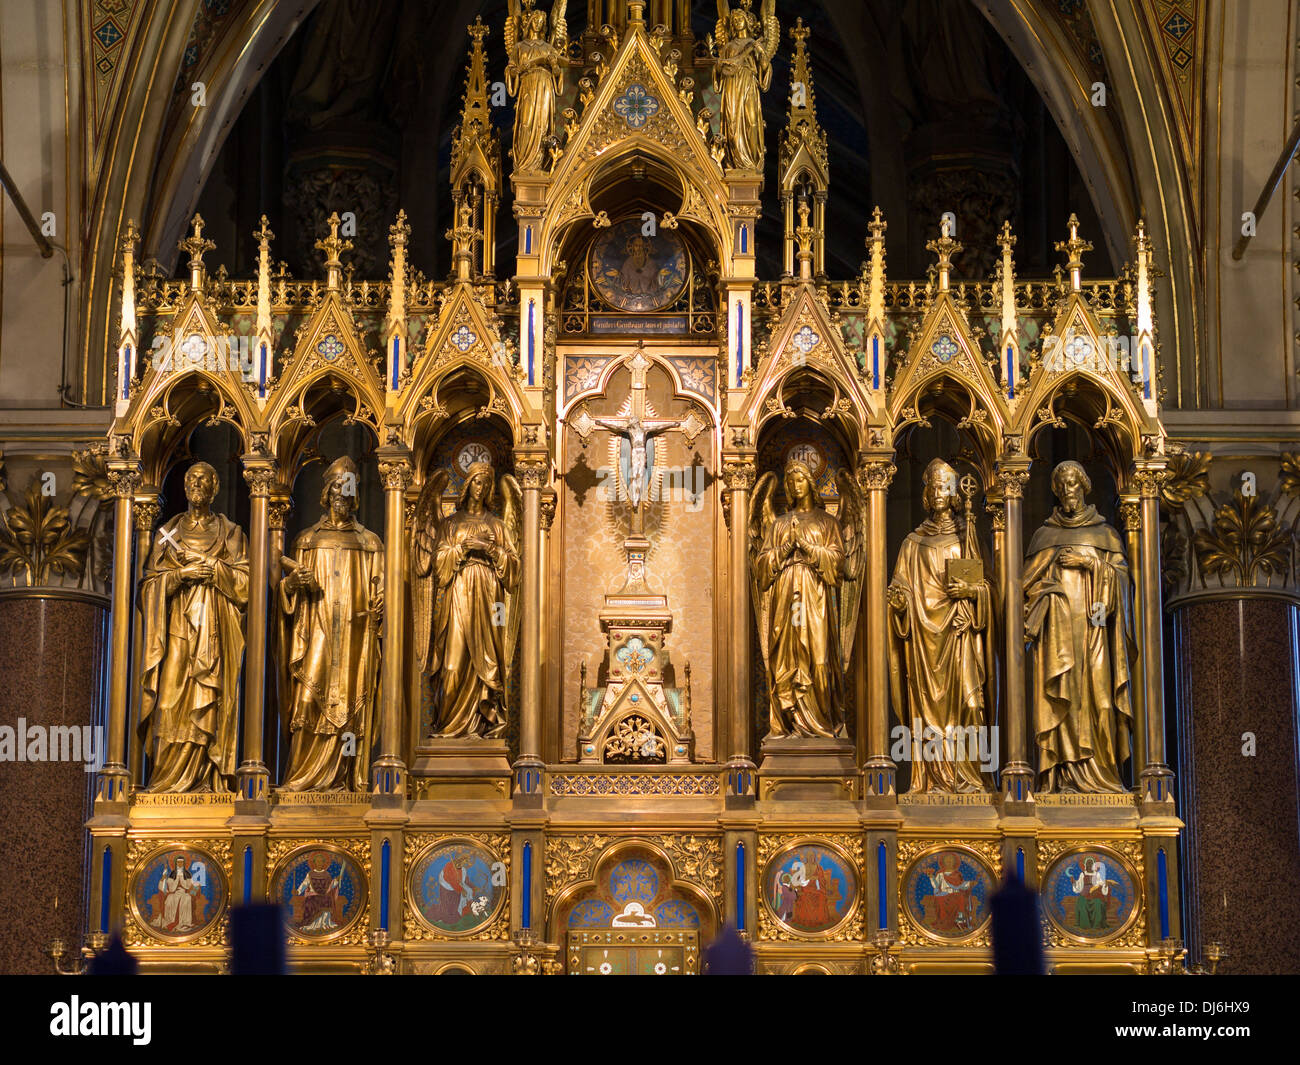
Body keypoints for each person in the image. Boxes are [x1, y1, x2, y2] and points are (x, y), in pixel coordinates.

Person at [1025, 461, 1136, 792]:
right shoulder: (1044, 536)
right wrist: (1048, 589)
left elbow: (1123, 580)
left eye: (1073, 483)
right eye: (1062, 485)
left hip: (1097, 632)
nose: (1068, 490)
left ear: (1085, 486)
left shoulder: (1106, 535)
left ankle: (1102, 776)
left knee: (1100, 702)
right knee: (1063, 701)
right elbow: (1026, 587)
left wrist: (1090, 563)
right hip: (1057, 639)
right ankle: (1061, 776)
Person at [138, 461, 248, 792]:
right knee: (170, 699)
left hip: (213, 634)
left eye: (204, 479)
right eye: (191, 479)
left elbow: (246, 584)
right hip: (175, 631)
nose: (197, 484)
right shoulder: (167, 534)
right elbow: (147, 587)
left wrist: (215, 569)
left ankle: (206, 778)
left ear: (216, 488)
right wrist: (178, 577)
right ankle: (167, 781)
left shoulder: (230, 533)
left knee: (207, 699)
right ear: (184, 488)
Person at [888, 459, 994, 791]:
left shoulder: (968, 537)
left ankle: (969, 778)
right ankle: (931, 781)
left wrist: (973, 592)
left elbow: (989, 588)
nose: (938, 492)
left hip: (960, 636)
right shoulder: (912, 543)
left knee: (970, 704)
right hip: (923, 642)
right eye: (932, 486)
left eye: (944, 486)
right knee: (927, 712)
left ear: (954, 494)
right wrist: (900, 602)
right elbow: (901, 587)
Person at [280, 456, 383, 790]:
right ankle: (302, 776)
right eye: (337, 486)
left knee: (352, 710)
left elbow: (381, 590)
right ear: (326, 492)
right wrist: (293, 585)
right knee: (308, 701)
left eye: (348, 487)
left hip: (356, 638)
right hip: (316, 633)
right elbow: (286, 593)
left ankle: (348, 778)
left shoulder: (370, 543)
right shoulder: (307, 541)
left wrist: (382, 603)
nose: (342, 494)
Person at [419, 462, 520, 738]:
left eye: (486, 483)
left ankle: (483, 726)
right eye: (477, 481)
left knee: (486, 665)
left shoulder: (498, 526)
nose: (481, 487)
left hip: (489, 598)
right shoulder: (451, 524)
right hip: (457, 596)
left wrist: (488, 548)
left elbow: (514, 570)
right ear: (468, 485)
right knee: (451, 666)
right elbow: (438, 566)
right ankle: (449, 728)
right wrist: (463, 547)